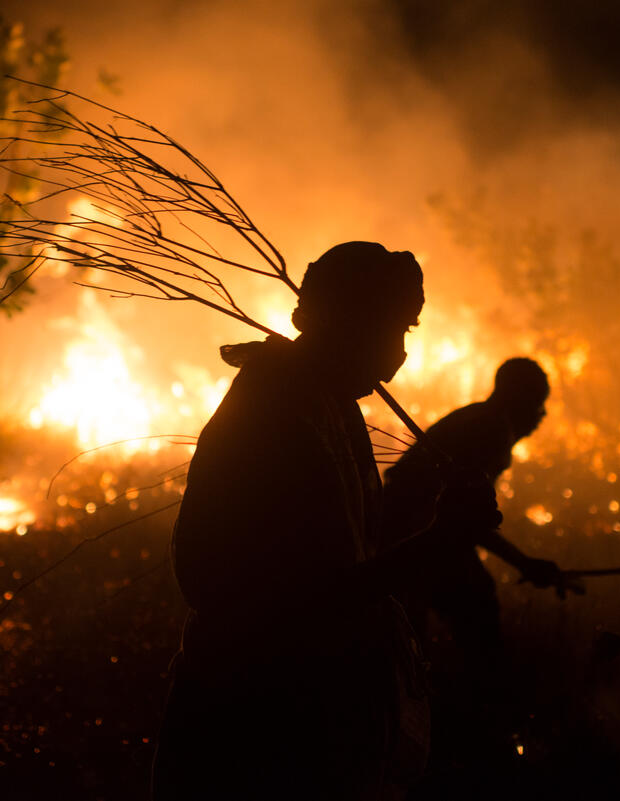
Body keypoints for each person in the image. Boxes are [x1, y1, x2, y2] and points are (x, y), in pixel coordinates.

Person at [152, 242, 500, 801]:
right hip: (258, 722)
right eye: (390, 330)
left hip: (304, 712)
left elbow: (351, 556)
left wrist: (439, 531)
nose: (399, 355)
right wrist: (439, 541)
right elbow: (304, 596)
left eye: (407, 331)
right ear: (341, 322)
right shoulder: (277, 414)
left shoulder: (328, 405)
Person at [382, 358, 577, 783]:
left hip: (410, 529)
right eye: (537, 404)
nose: (541, 416)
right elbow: (465, 517)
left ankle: (439, 735)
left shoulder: (480, 420)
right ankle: (475, 736)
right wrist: (524, 562)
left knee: (417, 635)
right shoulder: (490, 430)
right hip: (414, 532)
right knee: (471, 615)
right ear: (517, 399)